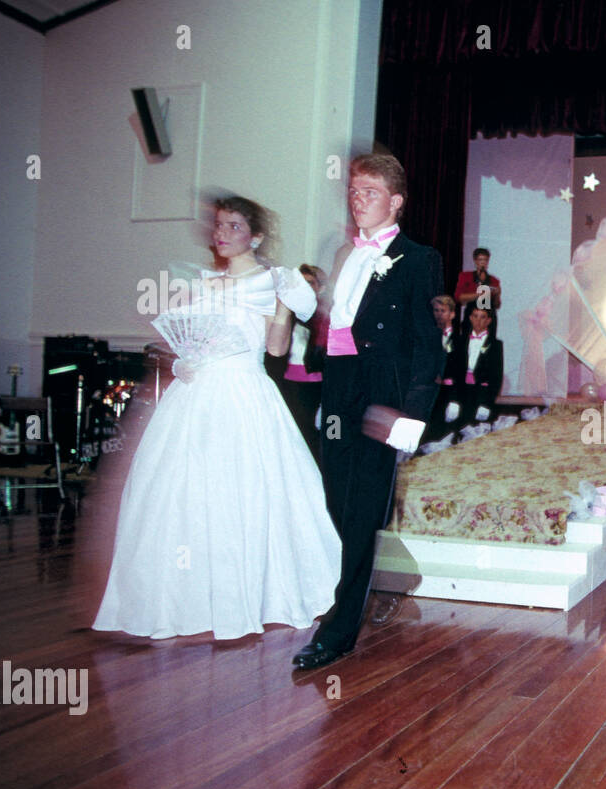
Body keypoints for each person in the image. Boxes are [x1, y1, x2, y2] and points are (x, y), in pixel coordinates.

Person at [92, 195, 341, 639]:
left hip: (244, 392)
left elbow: (278, 350)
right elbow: (195, 342)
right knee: (177, 492)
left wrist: (283, 306)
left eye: (234, 227)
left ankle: (249, 596)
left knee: (243, 490)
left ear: (256, 236)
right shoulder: (205, 283)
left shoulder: (272, 281)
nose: (222, 234)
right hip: (196, 394)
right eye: (219, 226)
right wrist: (183, 364)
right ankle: (181, 599)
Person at [292, 153, 444, 671]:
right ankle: (363, 588)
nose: (359, 200)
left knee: (363, 506)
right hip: (337, 389)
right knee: (335, 498)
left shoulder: (418, 258)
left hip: (382, 397)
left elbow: (428, 345)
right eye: (354, 192)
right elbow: (335, 326)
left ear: (396, 200)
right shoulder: (343, 254)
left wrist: (413, 414)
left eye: (371, 192)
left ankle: (340, 629)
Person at [274, 263, 328, 464]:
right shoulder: (284, 311)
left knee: (323, 432)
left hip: (316, 384)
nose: (305, 287)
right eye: (302, 283)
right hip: (287, 382)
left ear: (319, 287)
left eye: (310, 283)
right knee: (291, 431)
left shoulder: (325, 314)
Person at [456, 303, 503, 427]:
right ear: (470, 318)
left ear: (489, 321)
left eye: (482, 317)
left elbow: (496, 377)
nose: (478, 321)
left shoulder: (495, 345)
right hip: (462, 393)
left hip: (481, 395)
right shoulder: (460, 341)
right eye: (475, 316)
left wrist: (486, 404)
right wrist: (453, 401)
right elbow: (453, 372)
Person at [426, 294, 465, 442]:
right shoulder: (427, 338)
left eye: (443, 311)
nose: (439, 314)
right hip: (428, 393)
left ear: (452, 314)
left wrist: (455, 400)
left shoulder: (460, 340)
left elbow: (461, 371)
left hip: (449, 395)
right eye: (436, 310)